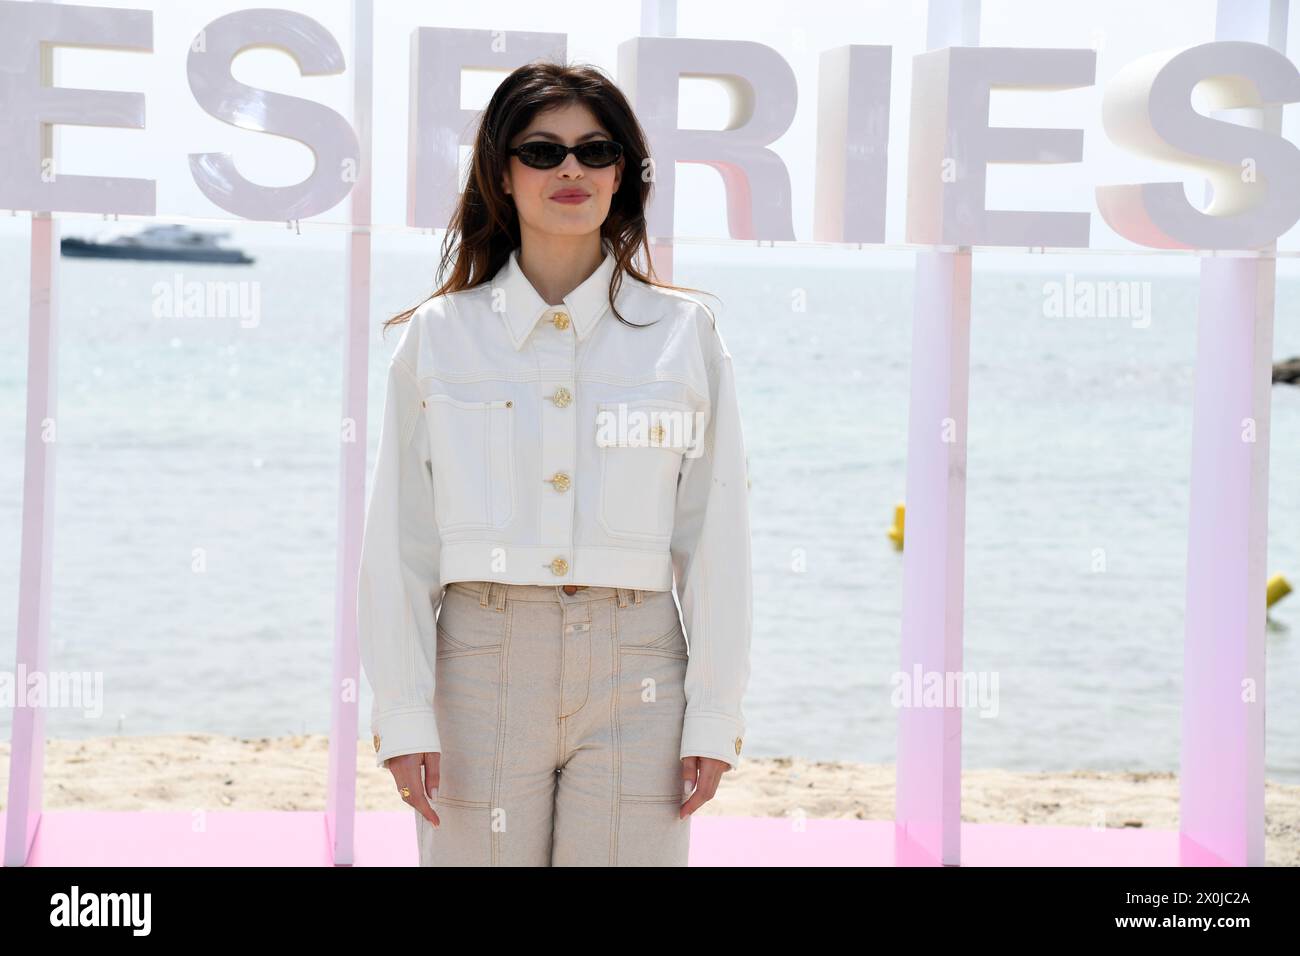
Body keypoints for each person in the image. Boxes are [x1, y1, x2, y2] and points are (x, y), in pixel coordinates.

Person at [356, 60, 752, 866]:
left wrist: (714, 713)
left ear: (622, 176)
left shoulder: (687, 336)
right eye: (542, 151)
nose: (570, 168)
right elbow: (398, 546)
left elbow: (716, 540)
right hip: (477, 675)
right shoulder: (437, 337)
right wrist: (402, 715)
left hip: (640, 673)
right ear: (502, 174)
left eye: (595, 150)